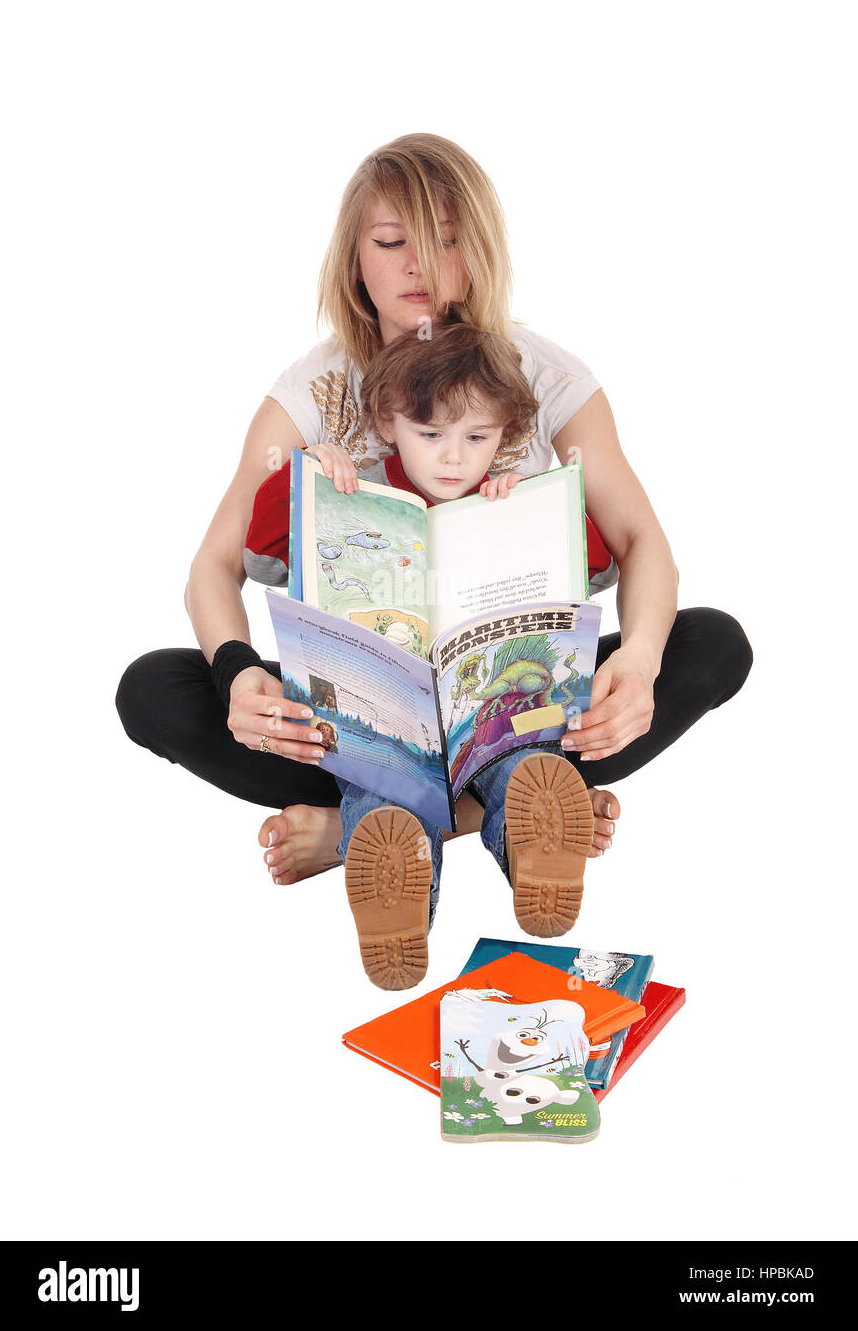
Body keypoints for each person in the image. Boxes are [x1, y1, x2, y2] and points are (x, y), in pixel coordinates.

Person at [115, 132, 752, 907]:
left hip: (516, 709)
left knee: (711, 639)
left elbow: (643, 541)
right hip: (362, 719)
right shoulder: (308, 394)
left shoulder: (546, 376)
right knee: (154, 688)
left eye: (447, 242)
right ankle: (504, 816)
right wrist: (239, 675)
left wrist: (641, 666)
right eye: (392, 242)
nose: (418, 267)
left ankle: (373, 833)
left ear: (479, 251)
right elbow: (211, 568)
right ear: (354, 258)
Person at [246, 322, 600, 989]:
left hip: (483, 717)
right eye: (430, 434)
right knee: (376, 780)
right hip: (387, 715)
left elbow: (593, 553)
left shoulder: (496, 492)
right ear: (387, 421)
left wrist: (525, 508)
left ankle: (535, 842)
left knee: (523, 758)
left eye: (478, 438)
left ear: (505, 434)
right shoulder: (357, 487)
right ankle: (396, 876)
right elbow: (261, 538)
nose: (453, 459)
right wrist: (310, 474)